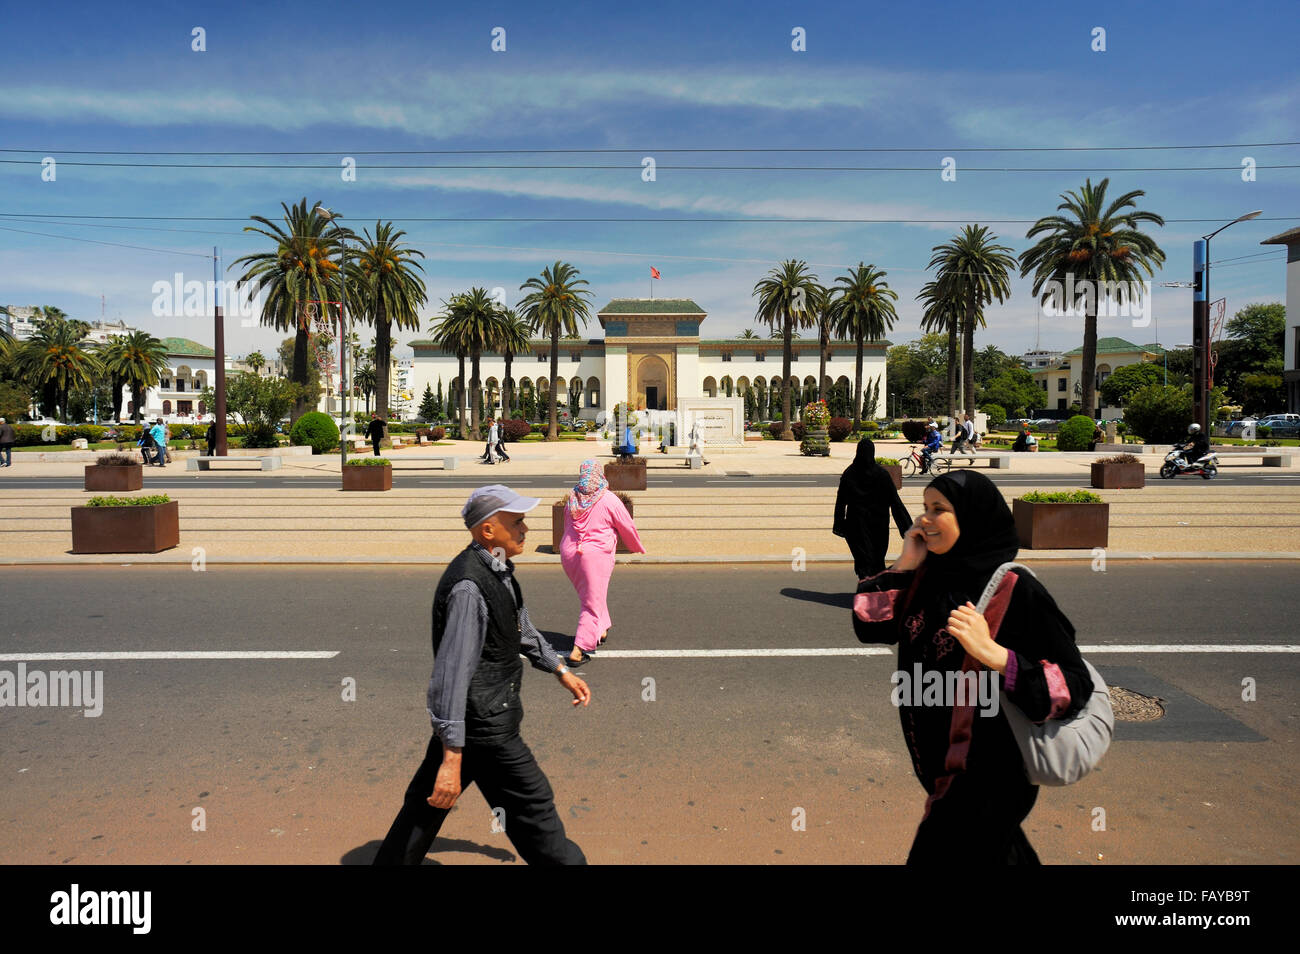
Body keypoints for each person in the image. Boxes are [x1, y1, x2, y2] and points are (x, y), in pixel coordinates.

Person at [851, 470, 1093, 864]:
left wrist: (996, 655)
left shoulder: (1015, 590)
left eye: (939, 509)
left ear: (971, 516)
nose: (924, 519)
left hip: (992, 772)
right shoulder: (928, 578)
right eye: (924, 508)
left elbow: (1074, 686)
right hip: (939, 767)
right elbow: (870, 626)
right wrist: (905, 563)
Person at [373, 485, 591, 865]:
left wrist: (558, 668)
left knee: (425, 808)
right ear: (488, 530)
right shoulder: (469, 588)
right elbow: (451, 676)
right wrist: (452, 758)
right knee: (534, 810)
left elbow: (519, 626)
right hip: (487, 728)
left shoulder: (497, 566)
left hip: (477, 721)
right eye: (517, 521)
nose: (526, 529)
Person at [559, 459, 646, 666]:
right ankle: (579, 649)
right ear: (600, 475)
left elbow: (566, 525)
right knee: (591, 601)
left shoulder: (573, 497)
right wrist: (636, 546)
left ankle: (602, 628)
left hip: (569, 554)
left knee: (591, 594)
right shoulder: (608, 499)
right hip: (595, 555)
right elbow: (627, 526)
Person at [833, 438, 912, 579]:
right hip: (879, 525)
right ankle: (873, 592)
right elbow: (895, 502)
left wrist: (839, 523)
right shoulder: (881, 475)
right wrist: (906, 527)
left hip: (856, 525)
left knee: (863, 560)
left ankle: (866, 588)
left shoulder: (849, 474)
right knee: (876, 559)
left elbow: (841, 501)